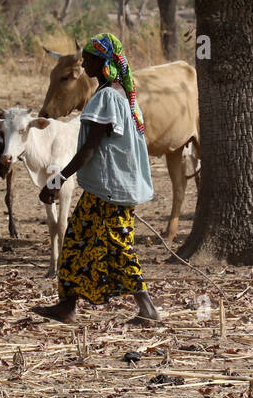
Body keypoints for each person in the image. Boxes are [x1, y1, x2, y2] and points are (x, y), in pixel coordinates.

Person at [32, 33, 160, 325]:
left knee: (118, 246)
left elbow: (89, 150)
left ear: (103, 63)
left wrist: (58, 179)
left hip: (110, 191)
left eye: (90, 58)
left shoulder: (105, 98)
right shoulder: (125, 96)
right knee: (76, 241)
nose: (85, 62)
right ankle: (67, 306)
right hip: (107, 188)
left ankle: (148, 310)